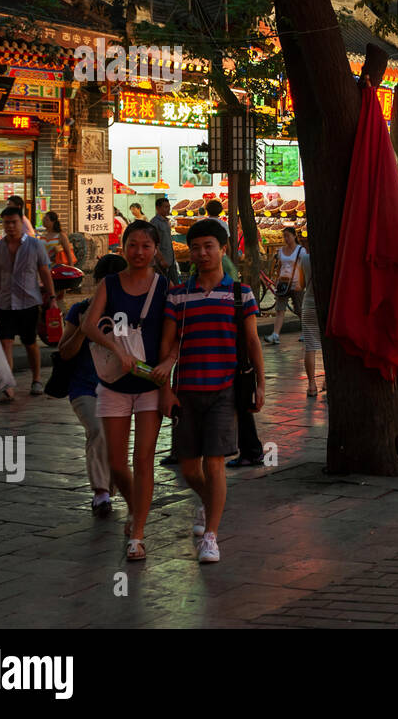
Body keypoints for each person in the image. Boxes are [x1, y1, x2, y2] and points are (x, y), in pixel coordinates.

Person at [158, 218, 264, 564]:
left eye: (209, 247)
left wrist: (261, 384)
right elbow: (168, 345)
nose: (202, 253)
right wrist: (165, 389)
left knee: (216, 465)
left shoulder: (240, 294)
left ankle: (212, 536)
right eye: (196, 247)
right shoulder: (179, 295)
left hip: (224, 390)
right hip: (186, 390)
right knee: (189, 469)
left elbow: (252, 341)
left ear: (223, 250)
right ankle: (209, 504)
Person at [82, 221, 172, 562]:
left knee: (144, 459)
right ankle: (137, 509)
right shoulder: (110, 284)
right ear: (122, 247)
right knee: (117, 463)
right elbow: (90, 324)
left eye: (146, 246)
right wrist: (116, 349)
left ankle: (137, 533)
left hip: (150, 384)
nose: (138, 252)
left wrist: (169, 368)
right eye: (132, 245)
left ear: (155, 251)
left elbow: (174, 331)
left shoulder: (164, 286)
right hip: (114, 383)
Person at [60, 254, 127, 517]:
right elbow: (64, 352)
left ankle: (108, 491)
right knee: (98, 430)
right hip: (83, 387)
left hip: (118, 388)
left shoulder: (126, 314)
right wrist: (85, 325)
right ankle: (100, 492)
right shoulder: (79, 311)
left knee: (112, 438)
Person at [0, 206, 55, 398]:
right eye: (6, 223)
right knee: (6, 342)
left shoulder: (35, 245)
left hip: (29, 302)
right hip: (4, 303)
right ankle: (7, 384)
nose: (10, 226)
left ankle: (36, 379)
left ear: (21, 222)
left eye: (14, 222)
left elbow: (44, 272)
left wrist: (51, 298)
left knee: (30, 342)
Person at [264, 226, 306, 345]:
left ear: (294, 236)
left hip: (296, 284)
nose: (286, 239)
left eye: (288, 236)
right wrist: (276, 280)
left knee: (299, 309)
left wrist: (301, 283)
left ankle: (306, 331)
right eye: (284, 236)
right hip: (283, 284)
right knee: (280, 309)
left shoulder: (300, 250)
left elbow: (303, 267)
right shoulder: (281, 251)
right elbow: (280, 267)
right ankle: (275, 334)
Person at [299, 247, 323, 397]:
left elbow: (301, 284)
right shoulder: (329, 258)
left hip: (308, 305)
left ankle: (312, 384)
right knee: (328, 345)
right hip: (326, 306)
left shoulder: (305, 259)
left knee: (310, 347)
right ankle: (328, 381)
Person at [151, 197, 180, 283]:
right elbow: (154, 243)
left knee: (173, 284)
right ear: (157, 208)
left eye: (169, 207)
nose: (168, 209)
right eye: (165, 207)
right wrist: (161, 259)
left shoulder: (166, 221)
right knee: (163, 285)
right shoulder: (155, 223)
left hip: (170, 259)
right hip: (162, 261)